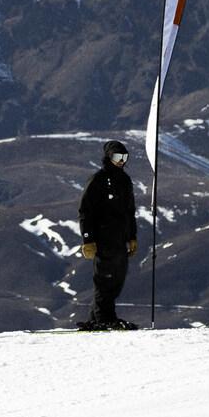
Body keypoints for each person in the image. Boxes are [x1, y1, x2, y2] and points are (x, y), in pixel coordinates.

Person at [77, 139, 140, 330]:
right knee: (105, 279)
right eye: (117, 157)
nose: (121, 161)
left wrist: (132, 237)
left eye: (124, 157)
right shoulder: (98, 179)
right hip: (103, 239)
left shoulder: (125, 180)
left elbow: (130, 211)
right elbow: (85, 210)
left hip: (120, 239)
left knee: (117, 280)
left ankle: (95, 319)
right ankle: (105, 318)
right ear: (108, 157)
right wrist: (88, 239)